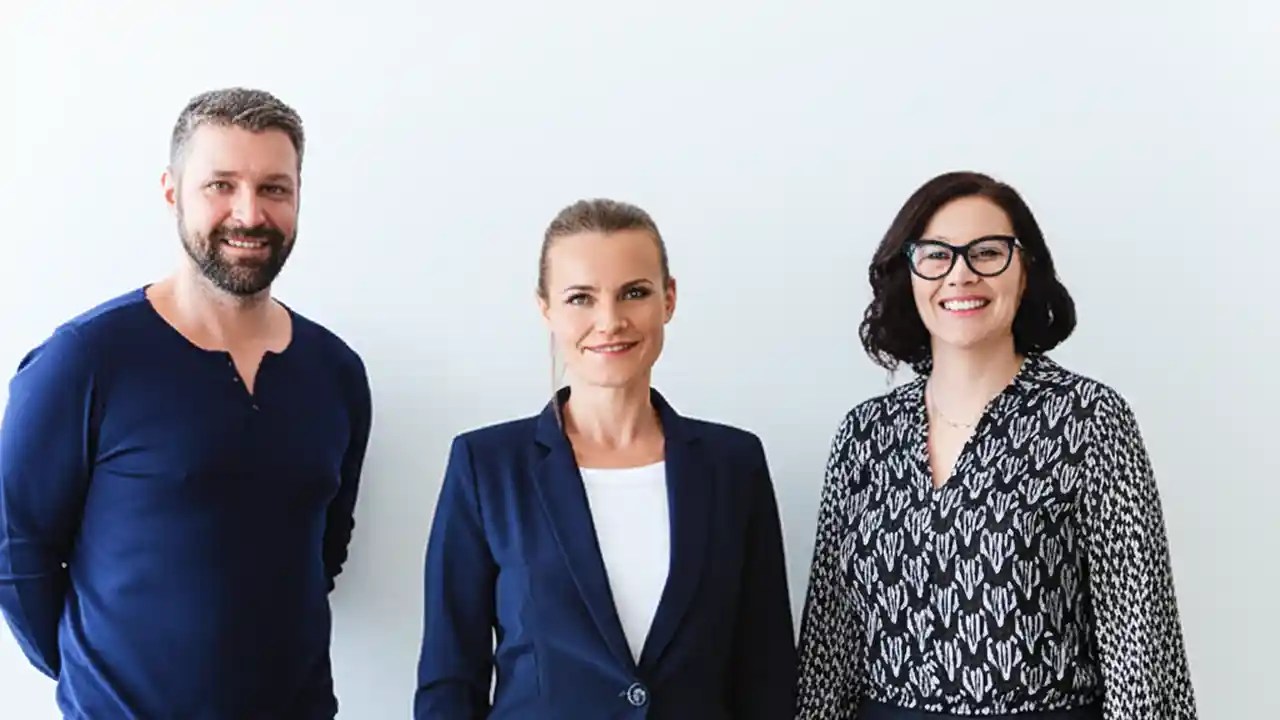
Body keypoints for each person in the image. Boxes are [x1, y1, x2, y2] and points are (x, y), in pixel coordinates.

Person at [0, 87, 372, 718]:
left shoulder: (335, 372)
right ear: (172, 192)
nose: (249, 213)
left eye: (274, 188)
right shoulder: (87, 360)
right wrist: (94, 683)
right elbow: (16, 549)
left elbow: (324, 550)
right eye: (220, 185)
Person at [795, 171, 1197, 720]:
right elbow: (829, 647)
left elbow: (1139, 646)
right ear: (908, 275)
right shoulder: (864, 434)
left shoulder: (1088, 420)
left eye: (987, 252)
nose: (960, 274)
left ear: (1025, 270)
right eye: (936, 255)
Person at [412, 198, 798, 718]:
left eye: (634, 293)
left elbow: (766, 671)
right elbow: (450, 677)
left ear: (669, 299)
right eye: (580, 298)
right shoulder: (486, 467)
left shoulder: (734, 465)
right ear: (546, 308)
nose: (610, 321)